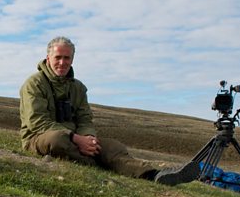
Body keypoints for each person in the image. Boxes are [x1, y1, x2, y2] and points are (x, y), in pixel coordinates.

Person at [19, 36, 199, 186]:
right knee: (57, 139)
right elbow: (37, 122)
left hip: (76, 139)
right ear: (48, 57)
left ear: (72, 59)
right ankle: (103, 164)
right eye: (58, 57)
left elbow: (84, 119)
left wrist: (88, 139)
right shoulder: (34, 84)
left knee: (112, 147)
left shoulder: (78, 88)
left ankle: (155, 174)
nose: (62, 62)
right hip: (39, 138)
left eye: (67, 58)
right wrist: (76, 138)